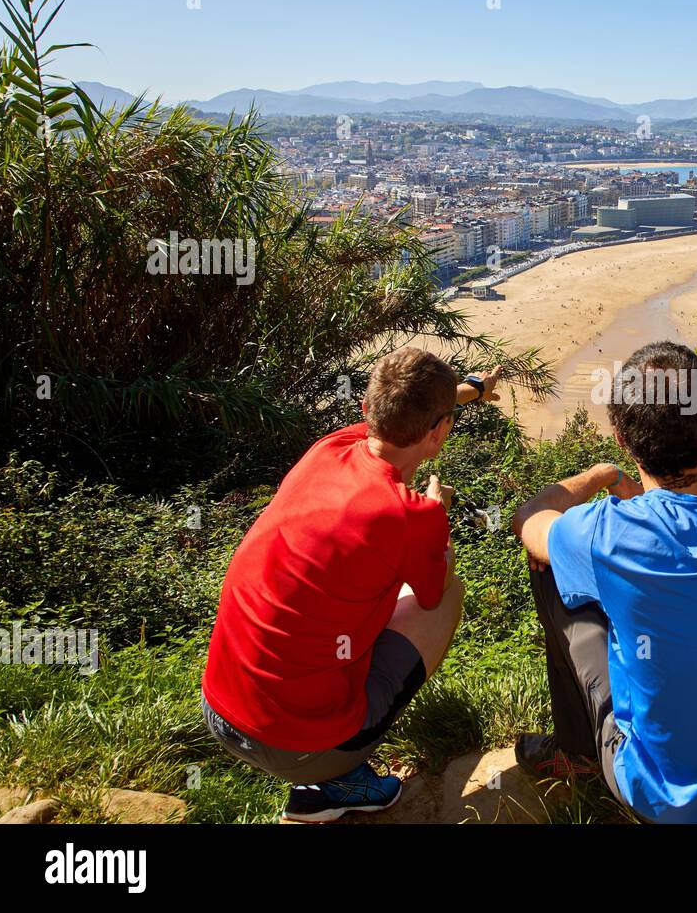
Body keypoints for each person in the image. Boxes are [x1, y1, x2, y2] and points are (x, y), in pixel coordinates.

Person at [511, 341, 697, 823]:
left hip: (669, 800)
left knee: (548, 567)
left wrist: (600, 475)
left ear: (621, 436)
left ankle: (576, 753)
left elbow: (528, 521)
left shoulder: (607, 534)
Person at [201, 350, 501, 822]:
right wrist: (435, 519)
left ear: (366, 409)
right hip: (293, 747)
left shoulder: (329, 449)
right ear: (439, 432)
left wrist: (469, 390)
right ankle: (336, 782)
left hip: (219, 711)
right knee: (446, 596)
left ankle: (322, 754)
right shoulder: (410, 515)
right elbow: (431, 592)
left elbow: (402, 419)